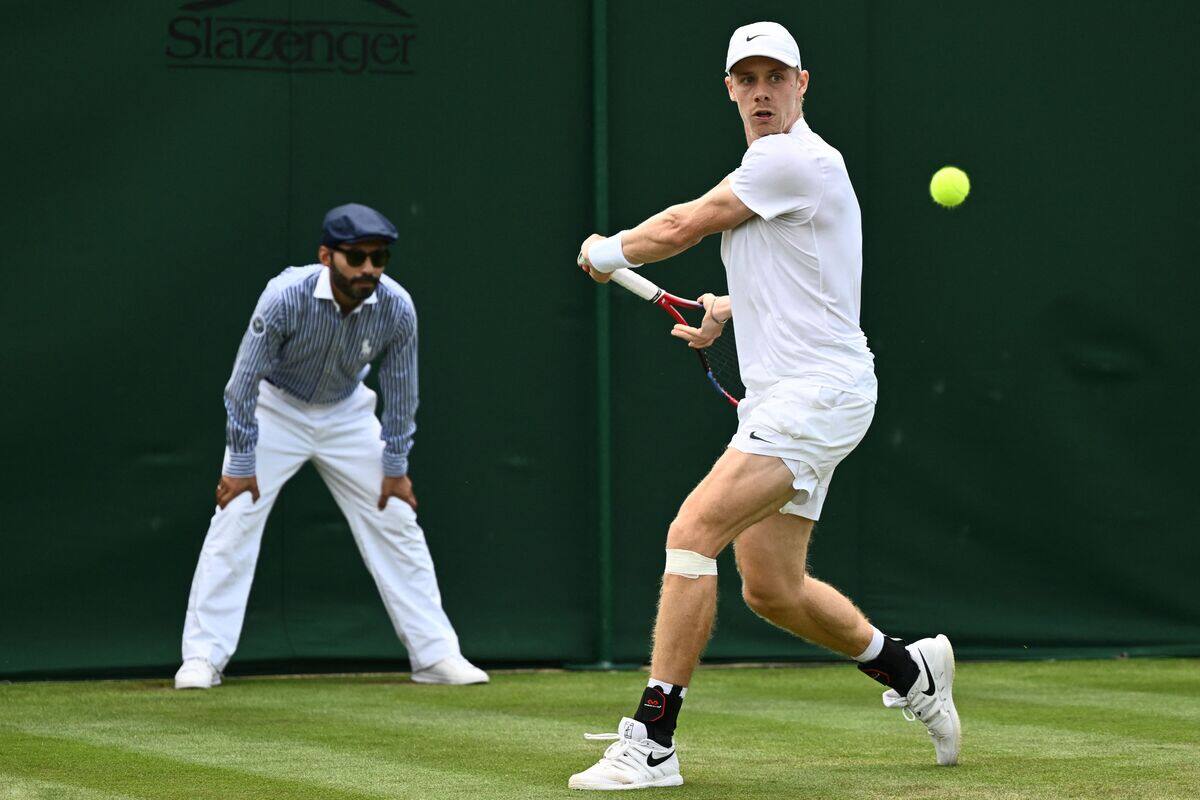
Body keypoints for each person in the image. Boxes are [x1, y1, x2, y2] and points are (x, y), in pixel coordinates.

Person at [569, 22, 960, 790]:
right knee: (772, 589)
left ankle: (652, 742)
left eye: (774, 77)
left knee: (692, 532)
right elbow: (802, 283)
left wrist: (607, 250)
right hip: (800, 395)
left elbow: (682, 225)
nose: (760, 92)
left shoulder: (794, 158)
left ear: (801, 85)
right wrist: (722, 306)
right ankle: (909, 668)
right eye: (746, 80)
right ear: (729, 90)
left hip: (819, 394)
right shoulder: (769, 171)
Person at [174, 203, 488, 689]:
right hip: (275, 409)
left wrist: (395, 465)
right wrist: (240, 464)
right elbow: (242, 384)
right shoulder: (284, 296)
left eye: (379, 258)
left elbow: (402, 390)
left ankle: (435, 656)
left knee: (397, 517)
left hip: (346, 414)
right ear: (327, 255)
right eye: (357, 257)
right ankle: (202, 659)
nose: (369, 269)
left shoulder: (397, 306)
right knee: (235, 517)